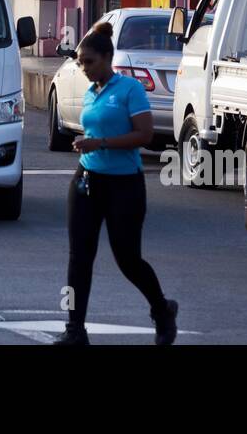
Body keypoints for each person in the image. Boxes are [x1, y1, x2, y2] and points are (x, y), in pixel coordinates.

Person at [54, 20, 178, 346]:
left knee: (128, 259)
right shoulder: (92, 91)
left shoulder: (130, 89)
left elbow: (145, 135)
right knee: (79, 256)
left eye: (89, 62)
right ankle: (74, 329)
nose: (84, 69)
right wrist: (88, 144)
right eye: (80, 63)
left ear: (108, 57)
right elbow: (93, 130)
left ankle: (162, 309)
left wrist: (102, 143)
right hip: (87, 180)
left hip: (124, 185)